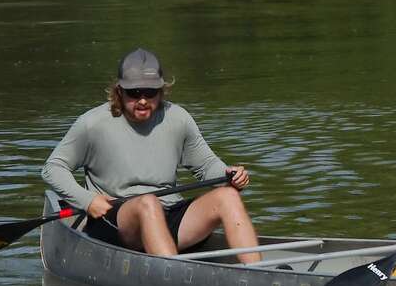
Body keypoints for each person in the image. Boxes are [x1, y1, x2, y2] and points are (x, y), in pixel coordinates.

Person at [42, 48, 262, 263]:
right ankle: (174, 277)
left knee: (228, 196)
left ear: (161, 90)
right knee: (147, 203)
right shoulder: (92, 124)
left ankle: (258, 272)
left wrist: (228, 174)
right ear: (119, 91)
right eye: (134, 93)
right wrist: (88, 200)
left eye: (150, 92)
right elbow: (53, 168)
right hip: (113, 219)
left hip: (168, 214)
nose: (143, 100)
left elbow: (206, 165)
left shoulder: (178, 119)